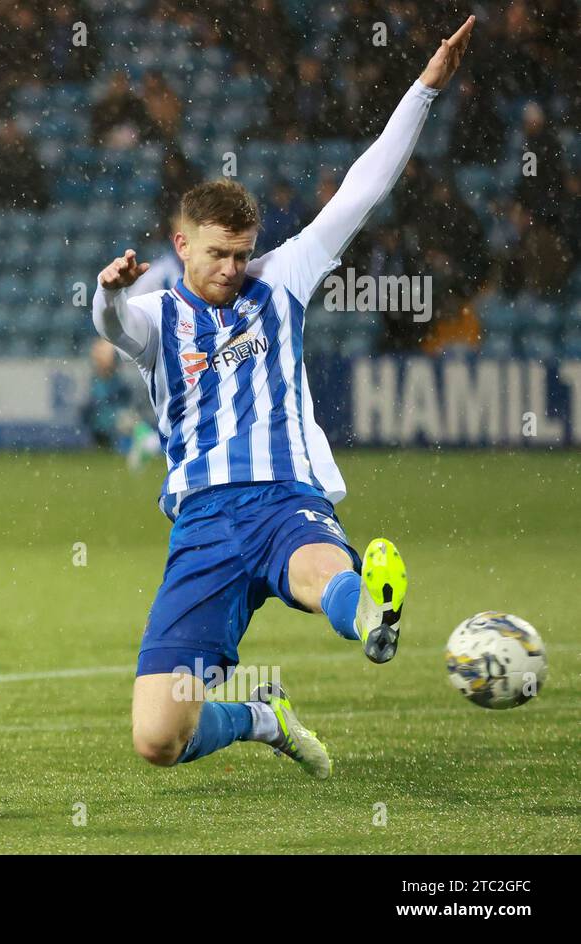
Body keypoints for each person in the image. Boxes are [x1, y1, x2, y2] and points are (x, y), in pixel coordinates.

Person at [92, 17, 474, 779]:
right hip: (201, 522)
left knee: (317, 567)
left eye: (241, 253)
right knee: (157, 739)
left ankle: (366, 610)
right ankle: (262, 717)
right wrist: (105, 295)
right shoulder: (158, 316)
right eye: (218, 255)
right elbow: (115, 328)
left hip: (281, 499)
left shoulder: (284, 277)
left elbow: (363, 188)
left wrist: (425, 90)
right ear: (183, 247)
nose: (233, 269)